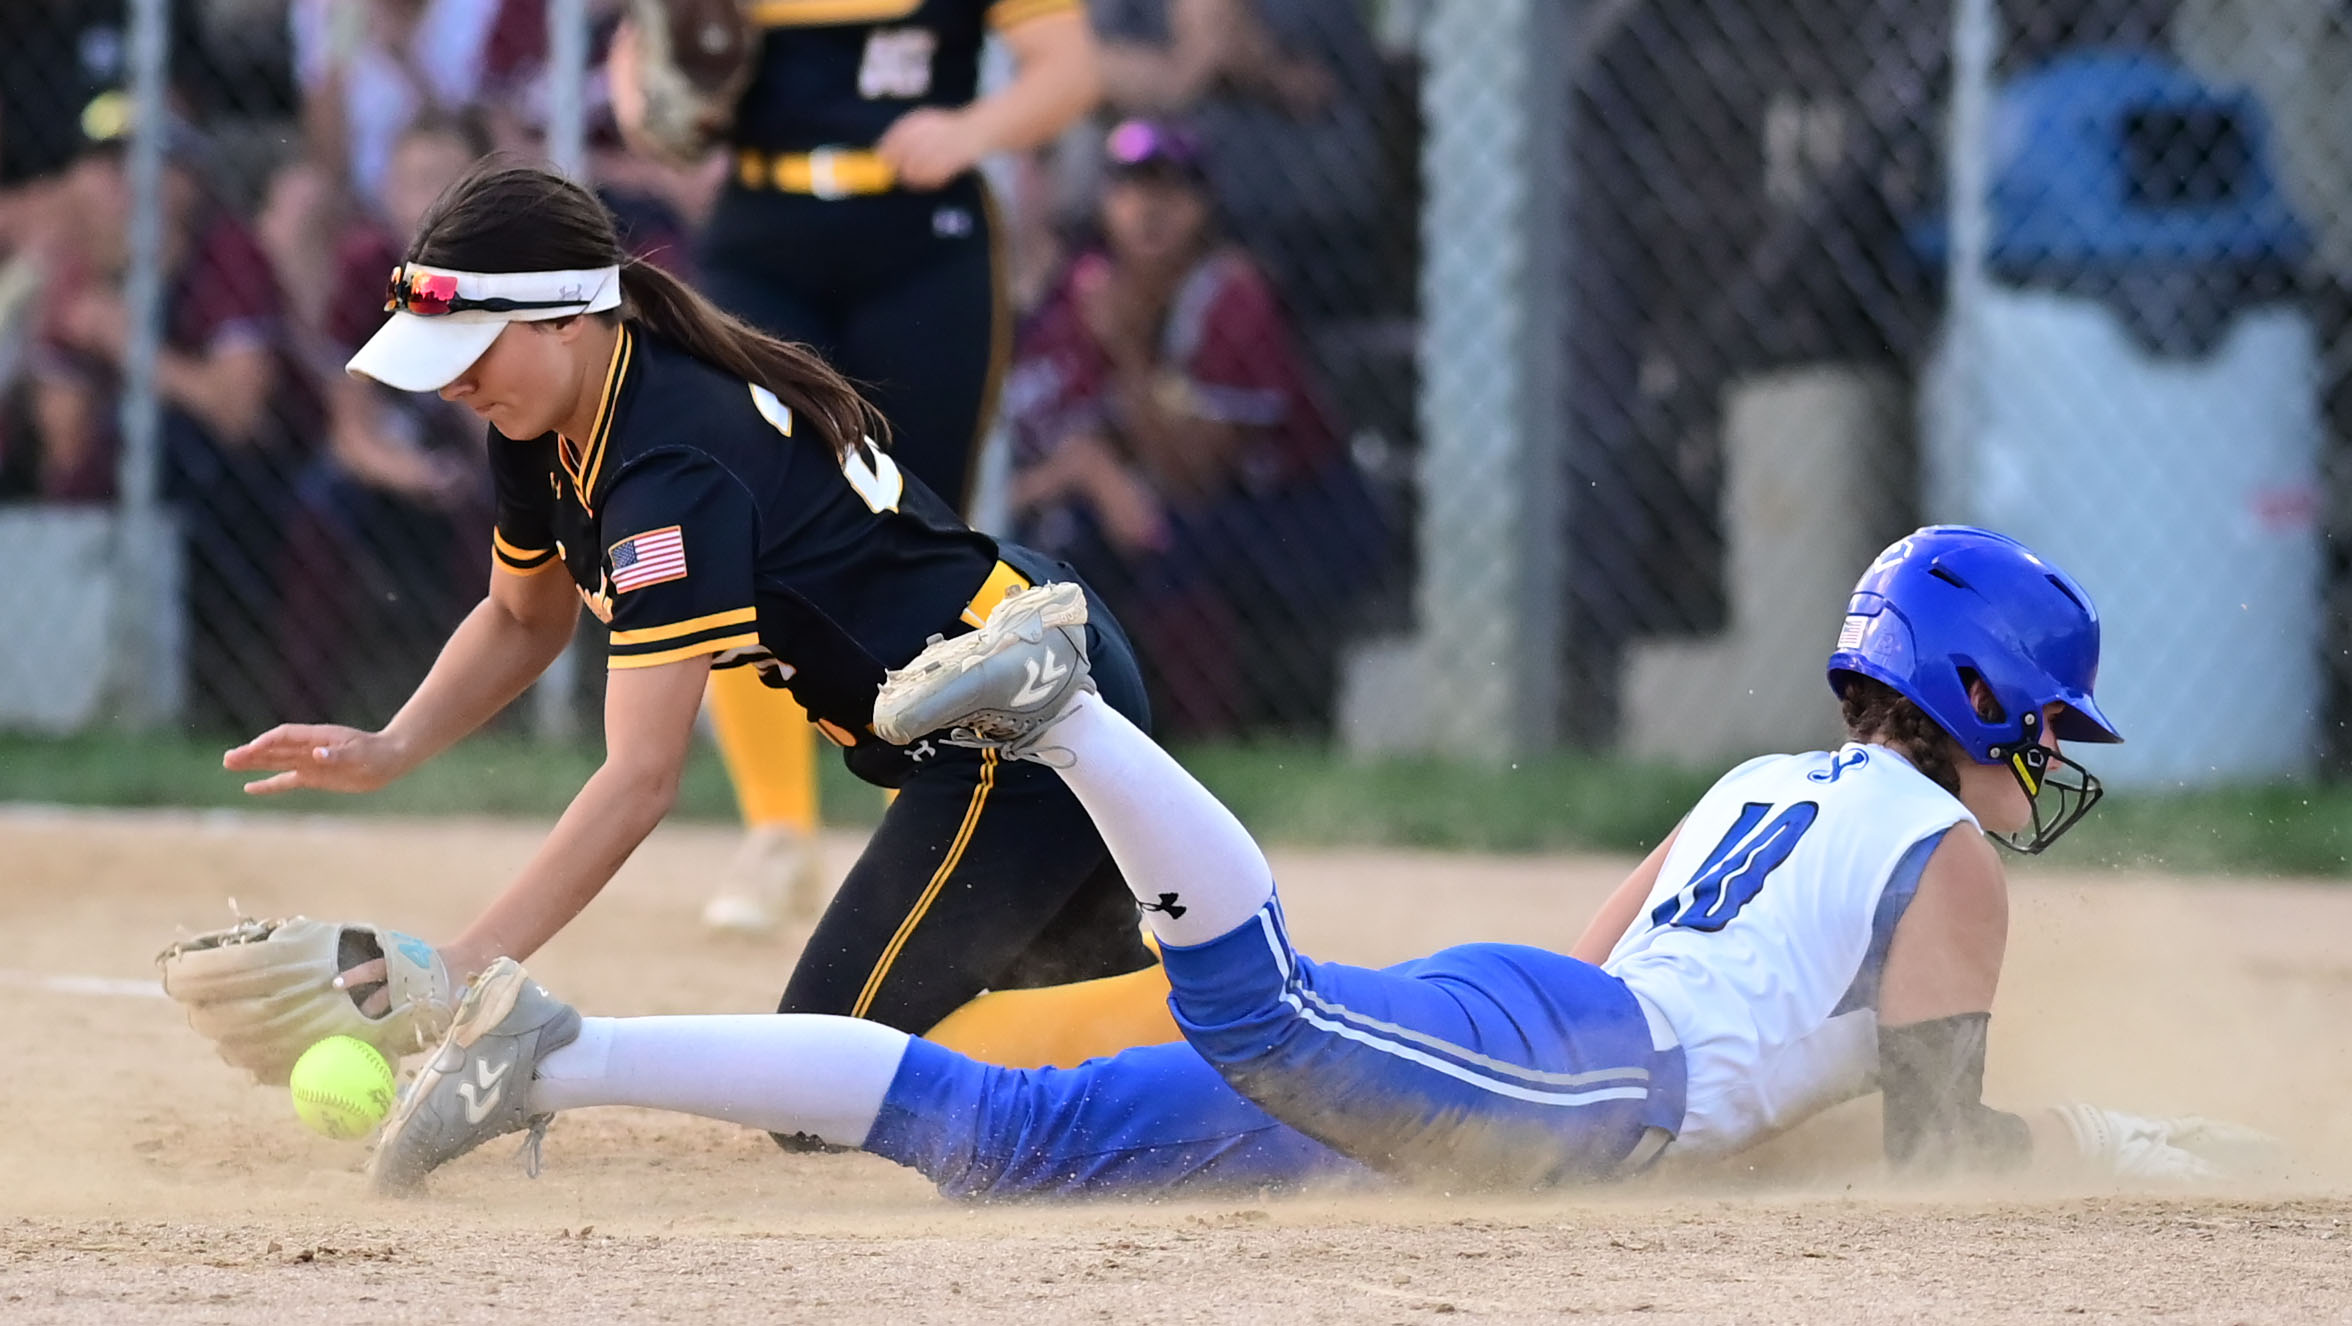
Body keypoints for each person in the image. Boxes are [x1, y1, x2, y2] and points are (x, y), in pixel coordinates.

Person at [368, 526, 2279, 1196]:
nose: (2045, 761)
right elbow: (1932, 1150)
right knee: (1261, 1010)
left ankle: (561, 1053)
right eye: (2041, 722)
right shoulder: (1946, 851)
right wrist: (2109, 1147)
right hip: (1576, 1074)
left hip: (1531, 1039)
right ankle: (1069, 716)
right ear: (1976, 698)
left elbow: (1607, 947)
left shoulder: (1760, 779)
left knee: (1015, 1144)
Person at [223, 163, 1184, 1079]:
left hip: (1011, 728)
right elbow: (521, 618)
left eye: (471, 351)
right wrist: (391, 747)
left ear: (566, 319)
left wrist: (468, 960)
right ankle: (1222, 1034)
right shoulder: (547, 418)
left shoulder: (668, 467)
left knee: (828, 1081)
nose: (451, 385)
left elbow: (640, 778)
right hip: (999, 701)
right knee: (1061, 988)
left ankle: (1241, 1035)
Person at [604, 0, 1104, 935]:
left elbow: (1069, 70)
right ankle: (777, 832)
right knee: (734, 521)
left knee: (917, 532)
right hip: (765, 235)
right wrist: (647, 101)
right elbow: (648, 52)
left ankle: (918, 824)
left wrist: (973, 129)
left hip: (922, 240)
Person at [1008, 119, 1380, 733]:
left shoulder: (1231, 295)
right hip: (1194, 504)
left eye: (1173, 191)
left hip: (1304, 511)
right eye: (1131, 189)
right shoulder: (1089, 287)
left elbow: (1195, 475)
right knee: (1076, 538)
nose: (1150, 209)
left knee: (1172, 548)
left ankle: (1202, 735)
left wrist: (1128, 351)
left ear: (1205, 207)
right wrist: (1089, 474)